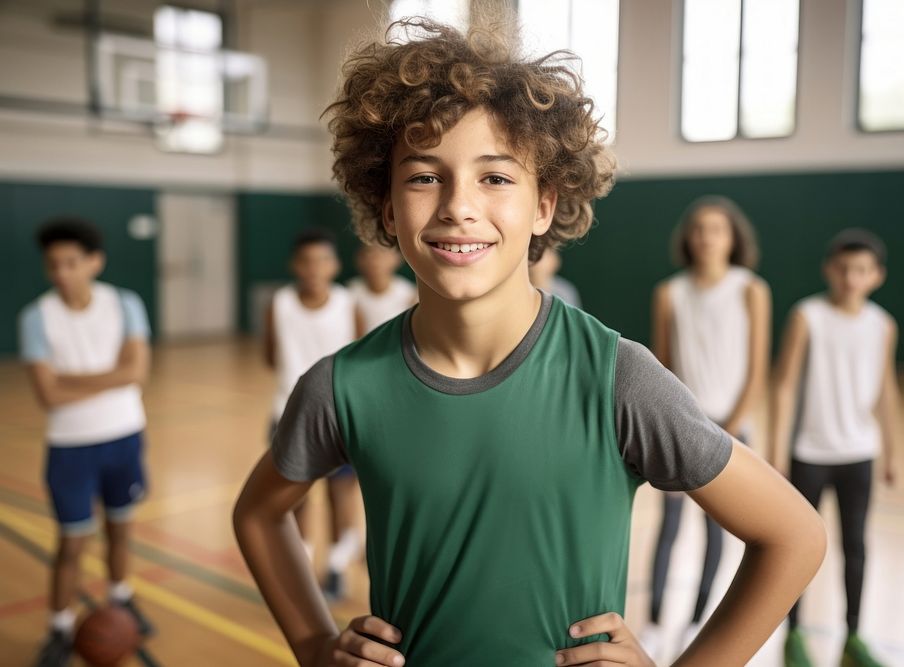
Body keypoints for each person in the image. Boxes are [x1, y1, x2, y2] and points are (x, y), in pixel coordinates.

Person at [234, 16, 826, 667]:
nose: (459, 206)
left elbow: (793, 535)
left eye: (494, 177)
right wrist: (317, 647)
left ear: (544, 204)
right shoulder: (341, 386)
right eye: (425, 176)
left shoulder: (615, 378)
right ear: (385, 206)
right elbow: (260, 515)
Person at [641, 196, 771, 660]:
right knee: (670, 525)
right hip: (682, 425)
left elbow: (758, 369)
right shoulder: (669, 293)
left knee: (719, 532)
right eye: (698, 228)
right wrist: (675, 424)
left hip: (732, 429)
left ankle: (698, 619)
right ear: (687, 238)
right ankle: (656, 621)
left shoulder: (750, 289)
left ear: (733, 238)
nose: (706, 237)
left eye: (716, 229)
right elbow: (662, 367)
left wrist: (731, 428)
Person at [19, 219, 154, 667]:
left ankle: (121, 598)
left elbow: (137, 373)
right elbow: (47, 394)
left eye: (71, 262)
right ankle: (59, 627)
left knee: (121, 529)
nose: (61, 273)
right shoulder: (36, 317)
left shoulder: (125, 304)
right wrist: (110, 375)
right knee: (71, 544)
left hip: (125, 437)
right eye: (53, 264)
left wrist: (72, 378)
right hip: (70, 447)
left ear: (94, 262)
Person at [769, 229, 900, 667]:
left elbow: (886, 389)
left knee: (856, 546)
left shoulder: (882, 324)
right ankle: (794, 636)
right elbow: (784, 385)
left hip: (859, 453)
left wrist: (892, 451)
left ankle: (854, 636)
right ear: (829, 269)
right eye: (843, 268)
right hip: (809, 453)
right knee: (799, 547)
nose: (850, 278)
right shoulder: (808, 316)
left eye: (861, 270)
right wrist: (776, 448)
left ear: (876, 276)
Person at [263, 228, 361, 597]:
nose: (314, 268)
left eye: (322, 259)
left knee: (340, 496)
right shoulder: (280, 302)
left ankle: (335, 567)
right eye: (306, 260)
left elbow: (359, 355)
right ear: (294, 265)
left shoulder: (347, 302)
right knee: (296, 498)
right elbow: (270, 355)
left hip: (339, 417)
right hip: (287, 414)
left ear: (334, 265)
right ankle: (302, 568)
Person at [348, 244, 417, 335]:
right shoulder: (349, 293)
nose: (375, 259)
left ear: (397, 258)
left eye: (382, 253)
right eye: (369, 253)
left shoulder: (410, 295)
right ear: (359, 259)